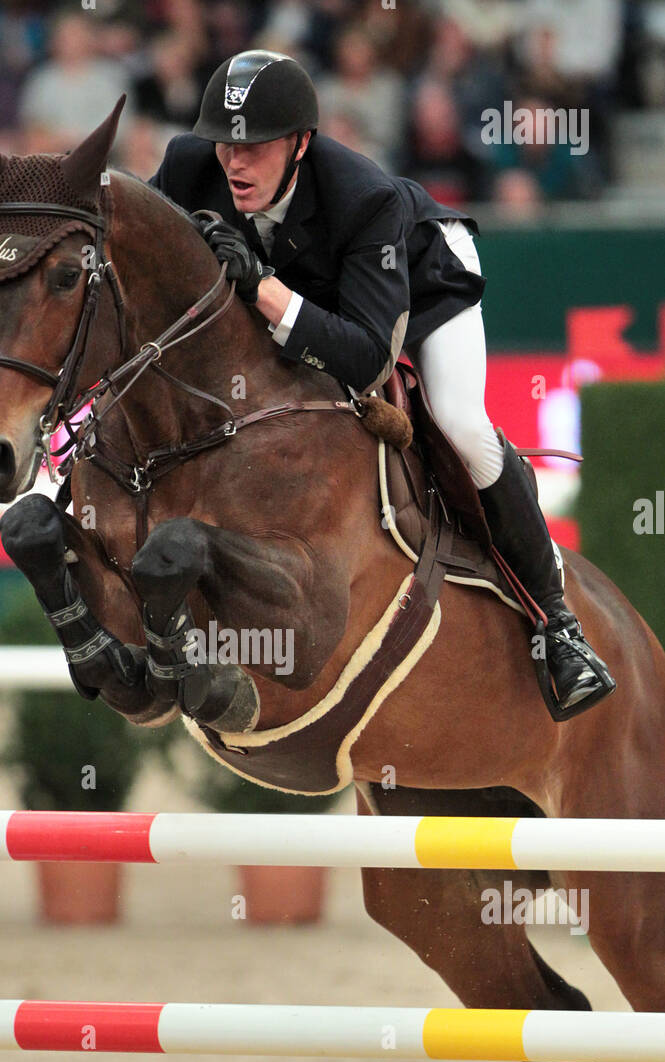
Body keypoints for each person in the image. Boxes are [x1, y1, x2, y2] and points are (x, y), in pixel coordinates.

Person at [149, 49, 614, 717]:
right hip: (312, 293)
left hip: (419, 285)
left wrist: (264, 290)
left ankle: (556, 623)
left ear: (301, 143)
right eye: (225, 144)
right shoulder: (188, 168)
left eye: (254, 147)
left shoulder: (361, 198)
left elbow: (366, 357)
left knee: (458, 423)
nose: (234, 163)